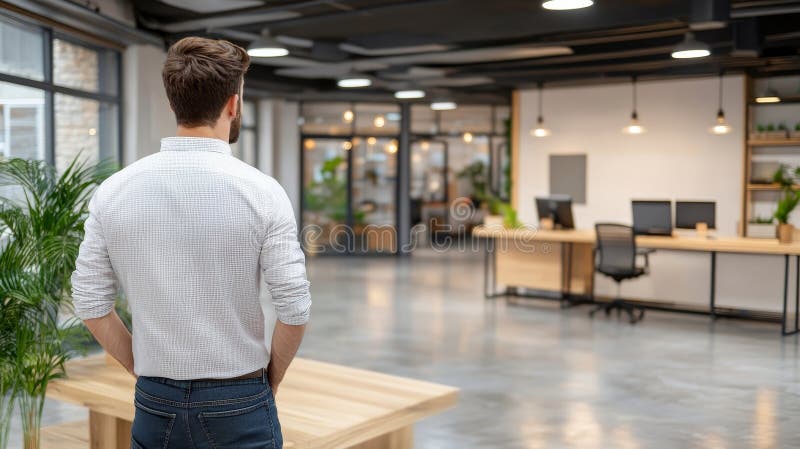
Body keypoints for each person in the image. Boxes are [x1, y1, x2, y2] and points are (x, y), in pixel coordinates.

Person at [71, 36, 310, 449]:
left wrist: (141, 368)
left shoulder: (114, 191)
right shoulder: (263, 192)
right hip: (240, 397)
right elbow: (294, 308)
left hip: (154, 400)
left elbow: (90, 303)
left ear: (172, 104)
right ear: (233, 104)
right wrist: (266, 385)